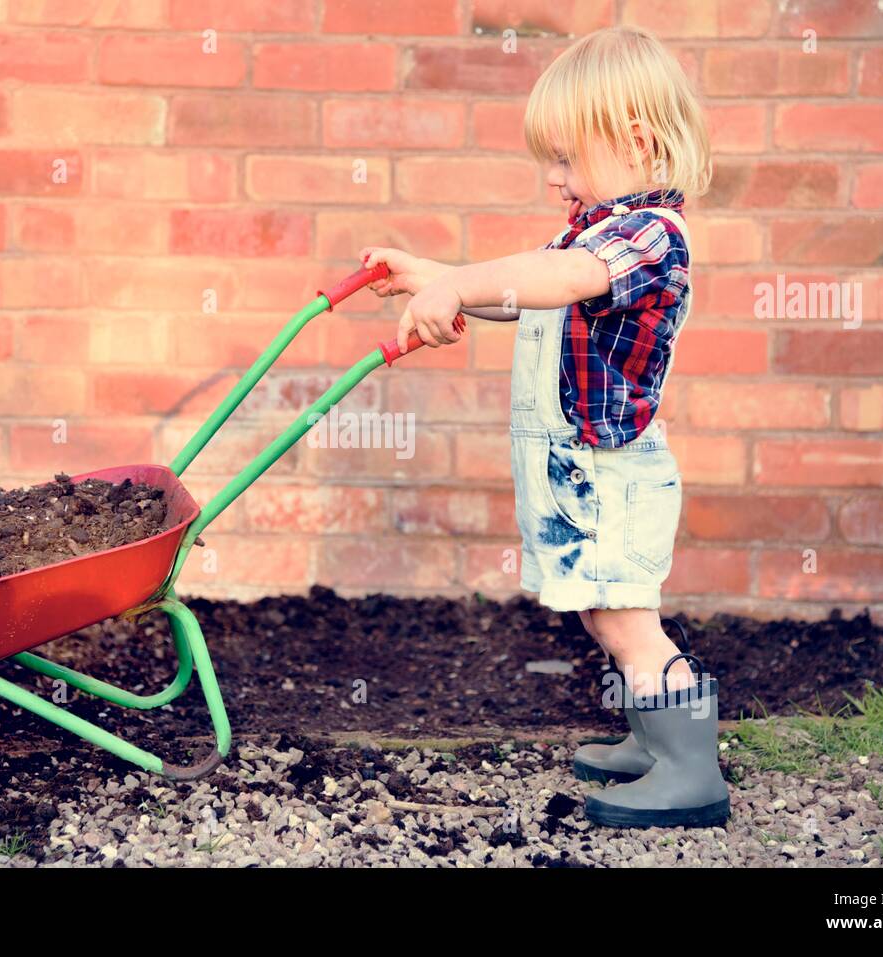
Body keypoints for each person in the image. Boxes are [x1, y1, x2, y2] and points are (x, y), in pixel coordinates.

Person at [361, 26, 729, 829]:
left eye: (565, 158)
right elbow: (525, 291)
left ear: (633, 140)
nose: (553, 177)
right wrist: (436, 277)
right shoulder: (596, 231)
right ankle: (654, 740)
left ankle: (690, 768)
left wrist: (458, 281)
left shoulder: (648, 237)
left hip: (611, 470)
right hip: (582, 468)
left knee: (627, 617)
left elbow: (554, 279)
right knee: (603, 608)